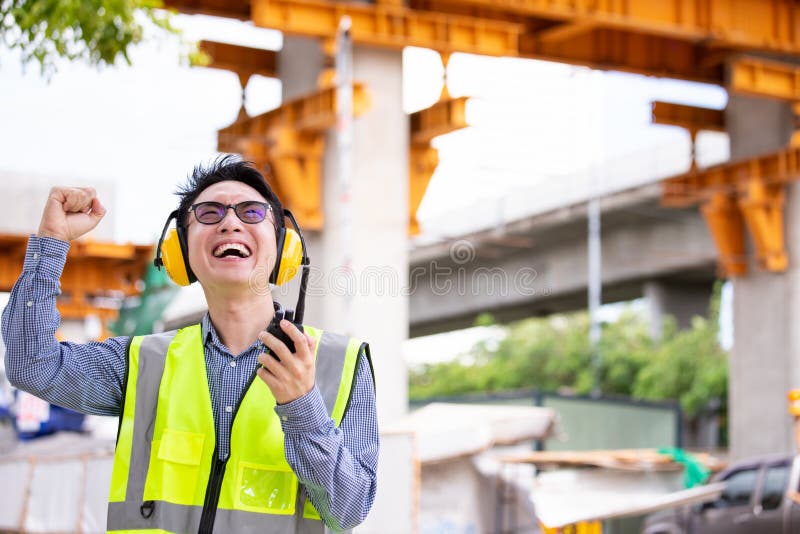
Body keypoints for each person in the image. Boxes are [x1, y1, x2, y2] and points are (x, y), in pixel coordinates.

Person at [1, 156, 378, 533]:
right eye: (210, 213)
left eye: (251, 212)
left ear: (285, 247)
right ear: (180, 252)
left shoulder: (339, 364)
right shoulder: (142, 363)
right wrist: (50, 244)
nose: (231, 222)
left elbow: (348, 510)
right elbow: (29, 362)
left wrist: (302, 409)